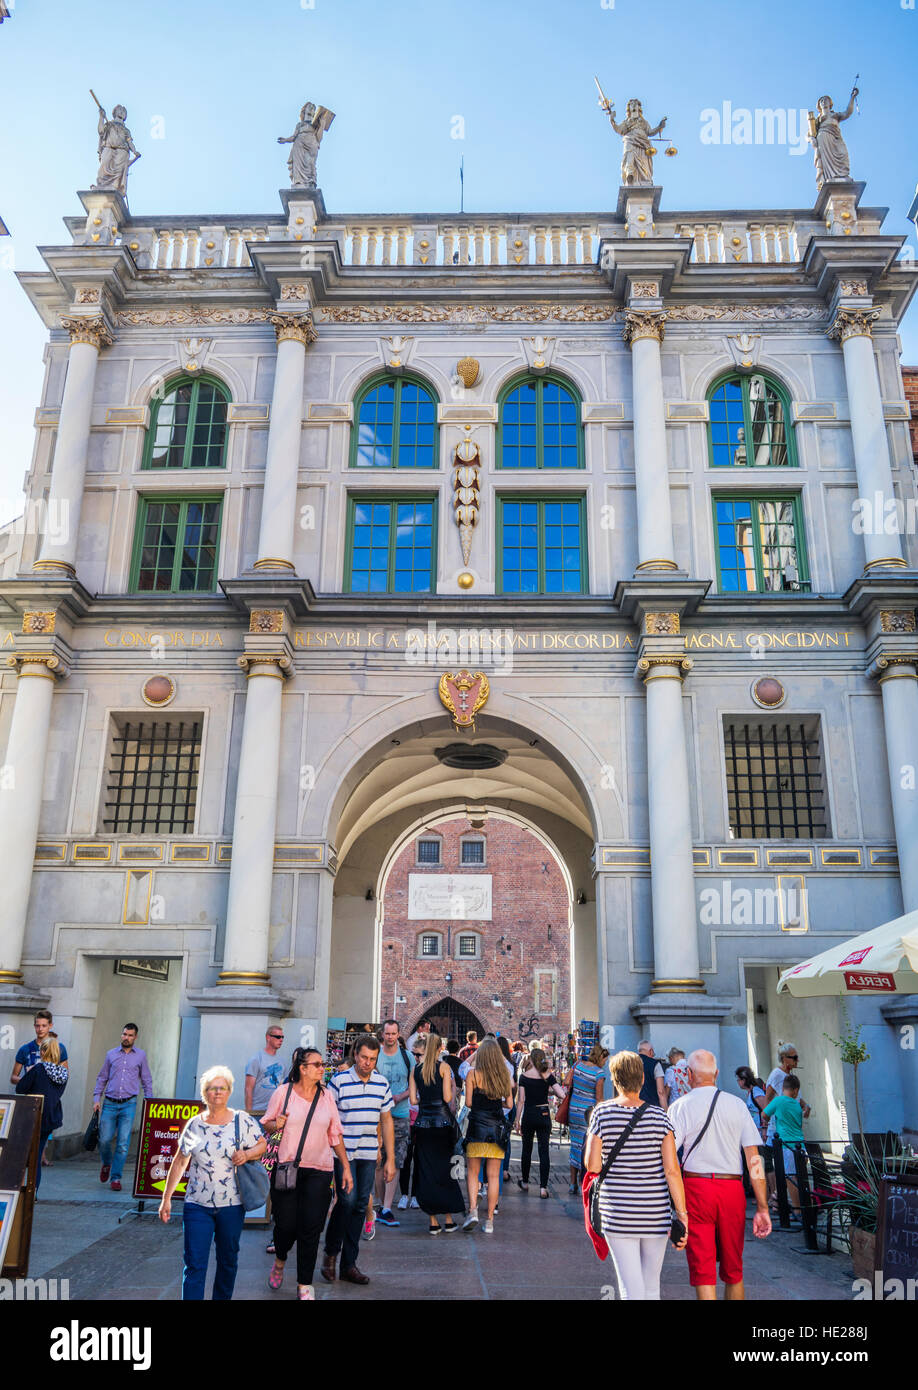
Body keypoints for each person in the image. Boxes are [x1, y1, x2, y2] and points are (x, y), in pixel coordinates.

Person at [668, 1049, 771, 1301]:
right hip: (731, 1190)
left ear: (689, 1074)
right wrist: (763, 1206)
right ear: (716, 1074)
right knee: (734, 1269)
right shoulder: (736, 1105)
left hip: (695, 1188)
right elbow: (754, 1160)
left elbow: (669, 1159)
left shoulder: (679, 1107)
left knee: (703, 1270)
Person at [585, 1050, 688, 1300]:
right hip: (655, 1212)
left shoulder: (602, 1113)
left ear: (614, 1079)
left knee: (630, 1286)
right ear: (642, 1079)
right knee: (651, 1286)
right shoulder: (659, 1117)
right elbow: (672, 1170)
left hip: (618, 1212)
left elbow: (592, 1166)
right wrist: (682, 1214)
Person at [158, 1065, 266, 1300]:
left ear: (229, 1091)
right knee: (195, 1263)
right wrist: (166, 1199)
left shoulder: (242, 1120)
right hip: (197, 1205)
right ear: (204, 1093)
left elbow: (262, 1145)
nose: (217, 1092)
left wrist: (247, 1155)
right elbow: (180, 1162)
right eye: (211, 1088)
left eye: (222, 1088)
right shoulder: (195, 1125)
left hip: (232, 1205)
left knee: (228, 1261)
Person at [262, 1047, 353, 1299]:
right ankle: (280, 1260)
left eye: (322, 1064)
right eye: (316, 1064)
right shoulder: (284, 1093)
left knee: (311, 1228)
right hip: (287, 1168)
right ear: (302, 1069)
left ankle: (304, 1284)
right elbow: (267, 1124)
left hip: (320, 1170)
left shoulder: (326, 1097)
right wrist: (275, 1124)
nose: (322, 1068)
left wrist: (345, 1167)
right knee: (286, 1225)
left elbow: (334, 1134)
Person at [323, 1034, 396, 1286]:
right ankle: (331, 1254)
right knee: (346, 1201)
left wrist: (390, 1158)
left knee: (359, 1205)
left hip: (367, 1153)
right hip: (343, 1152)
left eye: (372, 1059)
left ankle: (349, 1264)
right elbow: (330, 1119)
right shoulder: (339, 1081)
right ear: (355, 1055)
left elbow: (386, 1120)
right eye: (364, 1057)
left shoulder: (381, 1083)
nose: (367, 1063)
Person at [409, 1032, 464, 1233]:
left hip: (423, 1124)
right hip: (442, 1125)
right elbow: (448, 1097)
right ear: (439, 1049)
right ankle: (449, 1218)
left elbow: (413, 1101)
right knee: (445, 1169)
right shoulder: (444, 1067)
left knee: (426, 1170)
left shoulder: (416, 1069)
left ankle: (433, 1221)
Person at [92, 1023, 154, 1191]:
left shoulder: (140, 1056)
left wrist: (150, 1102)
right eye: (124, 1034)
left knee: (122, 1143)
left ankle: (116, 1177)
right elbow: (102, 1077)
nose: (126, 1038)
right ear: (122, 1035)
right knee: (104, 1139)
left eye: (130, 1035)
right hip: (110, 1103)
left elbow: (146, 1080)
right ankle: (106, 1163)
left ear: (135, 1037)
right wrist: (96, 1098)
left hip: (129, 1104)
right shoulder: (111, 1054)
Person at [462, 1038, 512, 1233]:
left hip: (477, 1127)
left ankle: (473, 1210)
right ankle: (489, 1221)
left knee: (473, 1173)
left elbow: (467, 1103)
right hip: (497, 1128)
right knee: (493, 1176)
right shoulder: (504, 1076)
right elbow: (509, 1104)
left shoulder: (473, 1075)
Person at [373, 1020, 412, 1228]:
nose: (390, 1037)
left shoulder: (408, 1057)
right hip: (377, 1116)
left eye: (393, 1033)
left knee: (395, 1160)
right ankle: (380, 1203)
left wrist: (400, 1096)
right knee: (379, 1161)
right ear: (383, 1035)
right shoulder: (375, 1054)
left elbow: (413, 1087)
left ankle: (387, 1207)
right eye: (387, 1034)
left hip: (400, 1113)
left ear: (398, 1034)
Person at [15, 1035, 68, 1186]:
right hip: (50, 1117)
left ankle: (16, 1189)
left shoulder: (38, 1069)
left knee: (22, 1154)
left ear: (43, 1052)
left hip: (33, 1115)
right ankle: (34, 1191)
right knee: (37, 1156)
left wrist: (29, 1073)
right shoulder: (63, 1074)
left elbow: (20, 1088)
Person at [515, 1046, 566, 1198]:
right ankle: (543, 1188)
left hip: (529, 1114)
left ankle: (525, 1182)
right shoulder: (547, 1075)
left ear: (530, 1059)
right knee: (544, 1152)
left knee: (527, 1149)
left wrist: (517, 1120)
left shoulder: (523, 1077)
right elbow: (562, 1094)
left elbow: (521, 1100)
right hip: (543, 1114)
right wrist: (548, 1090)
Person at [763, 1044, 810, 1203]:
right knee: (784, 1168)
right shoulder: (777, 1074)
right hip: (779, 1130)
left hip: (792, 1130)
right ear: (784, 1059)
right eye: (794, 1057)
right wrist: (769, 1117)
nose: (797, 1060)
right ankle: (778, 1199)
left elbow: (796, 1097)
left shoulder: (790, 1077)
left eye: (797, 1057)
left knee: (790, 1169)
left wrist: (804, 1105)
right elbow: (768, 1097)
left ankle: (783, 1201)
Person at [763, 1074, 807, 1216]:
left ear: (783, 1088)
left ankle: (797, 1209)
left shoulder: (778, 1101)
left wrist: (771, 1117)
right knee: (797, 1177)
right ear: (795, 1090)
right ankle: (785, 1203)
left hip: (786, 1146)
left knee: (790, 1178)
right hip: (800, 1145)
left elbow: (764, 1114)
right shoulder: (797, 1104)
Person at [566, 1043, 606, 1194]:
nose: (605, 1063)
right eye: (605, 1059)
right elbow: (599, 1098)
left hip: (573, 1110)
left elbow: (566, 1082)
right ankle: (584, 1180)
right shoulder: (599, 1073)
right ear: (600, 1057)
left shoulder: (577, 1065)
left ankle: (571, 1183)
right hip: (587, 1113)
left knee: (574, 1144)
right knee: (586, 1146)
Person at [11, 1009, 68, 1084]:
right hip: (30, 1093)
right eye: (38, 1026)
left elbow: (65, 1076)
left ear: (50, 1026)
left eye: (44, 1026)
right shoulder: (25, 1049)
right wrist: (29, 1080)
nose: (40, 1029)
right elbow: (13, 1078)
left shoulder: (59, 1048)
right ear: (34, 1026)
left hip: (50, 1093)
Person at [244, 1025, 287, 1117]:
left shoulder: (282, 1062)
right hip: (258, 1112)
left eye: (282, 1037)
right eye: (278, 1037)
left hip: (275, 1113)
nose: (281, 1040)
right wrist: (249, 1114)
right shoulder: (256, 1059)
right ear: (268, 1037)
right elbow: (248, 1089)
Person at [637, 1040, 668, 1110]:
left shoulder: (629, 1063)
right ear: (651, 1051)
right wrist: (666, 1112)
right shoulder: (655, 1064)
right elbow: (661, 1092)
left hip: (632, 1106)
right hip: (651, 1107)